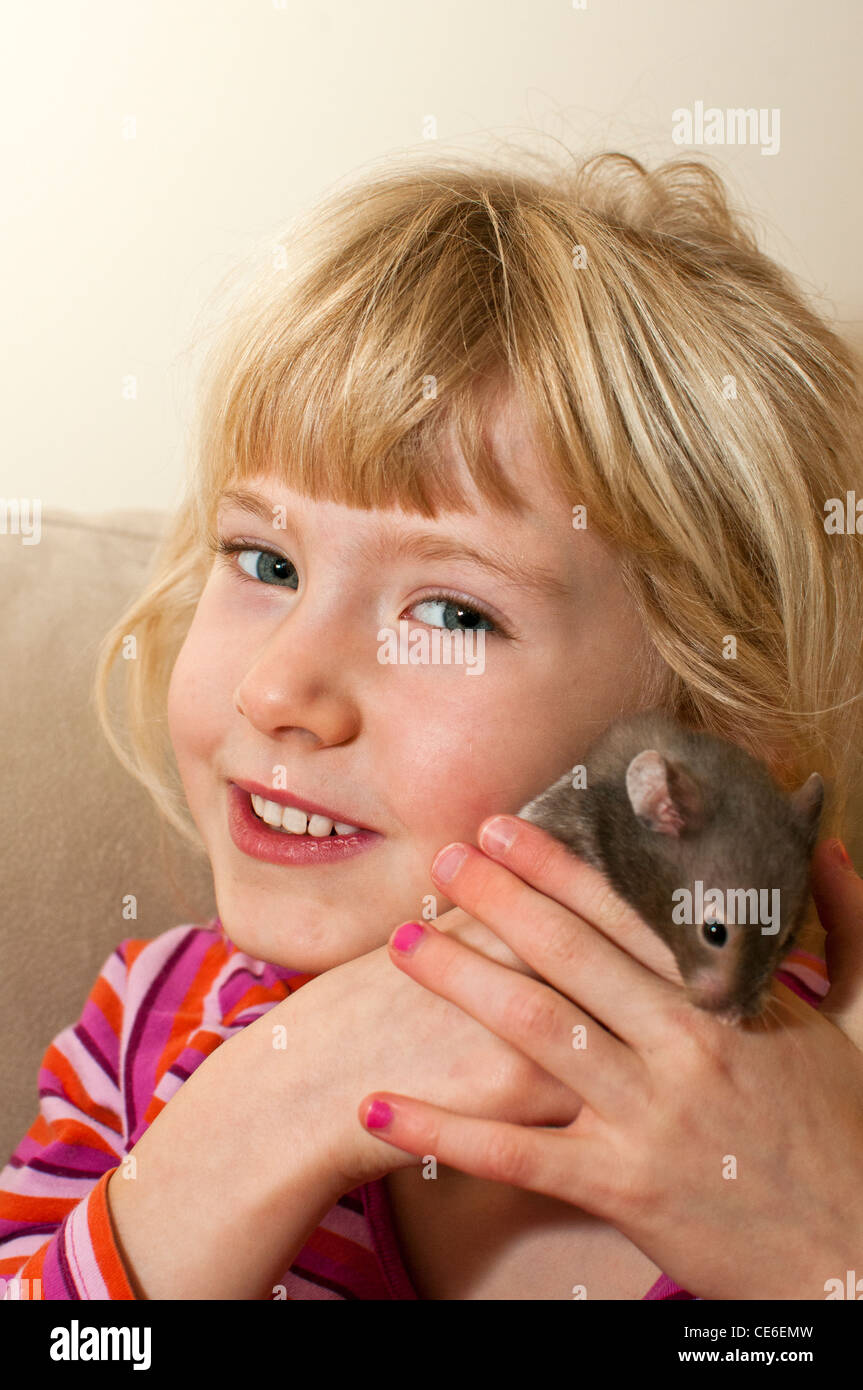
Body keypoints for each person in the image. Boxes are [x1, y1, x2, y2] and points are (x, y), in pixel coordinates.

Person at [2, 147, 862, 1300]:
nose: (276, 689)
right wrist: (275, 1106)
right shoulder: (149, 1035)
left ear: (708, 736)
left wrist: (823, 1250)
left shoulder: (813, 1118)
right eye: (264, 560)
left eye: (449, 611)